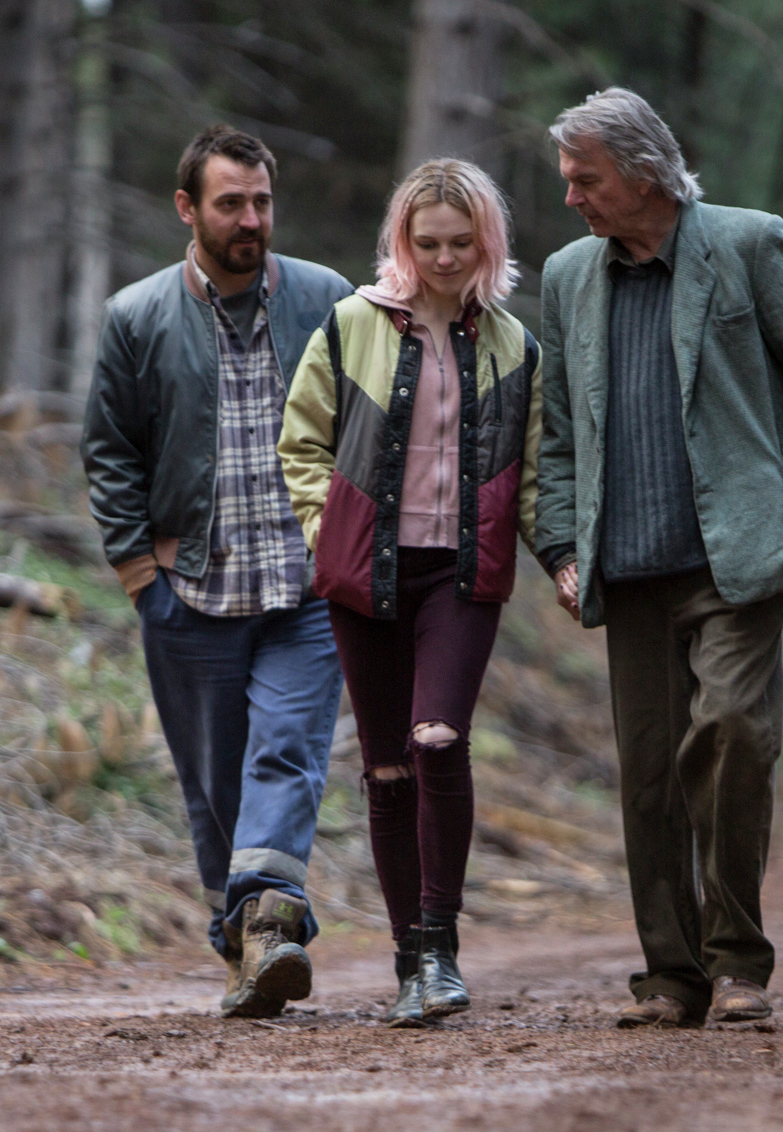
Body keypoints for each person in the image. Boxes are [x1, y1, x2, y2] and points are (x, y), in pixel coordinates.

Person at [533, 89, 783, 1029]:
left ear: (642, 175)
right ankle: (671, 977)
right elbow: (557, 433)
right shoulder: (566, 277)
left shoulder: (750, 243)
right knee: (647, 777)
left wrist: (782, 495)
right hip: (625, 568)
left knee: (730, 736)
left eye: (584, 180)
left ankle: (737, 963)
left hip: (732, 564)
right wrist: (559, 543)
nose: (570, 198)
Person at [81, 125, 353, 1019]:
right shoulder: (137, 315)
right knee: (214, 784)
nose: (249, 220)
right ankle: (245, 947)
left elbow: (367, 428)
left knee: (287, 754)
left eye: (261, 202)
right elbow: (110, 452)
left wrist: (356, 549)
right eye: (230, 203)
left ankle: (271, 927)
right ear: (186, 208)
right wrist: (138, 578)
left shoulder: (327, 300)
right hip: (189, 591)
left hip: (306, 588)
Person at [278, 159, 543, 1028]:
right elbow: (301, 442)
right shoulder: (352, 324)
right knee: (387, 766)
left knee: (437, 740)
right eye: (426, 242)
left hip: (460, 577)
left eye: (460, 243)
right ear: (402, 240)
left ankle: (442, 949)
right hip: (367, 574)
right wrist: (327, 531)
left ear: (486, 243)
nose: (442, 258)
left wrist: (562, 555)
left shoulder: (513, 345)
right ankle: (409, 964)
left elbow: (534, 473)